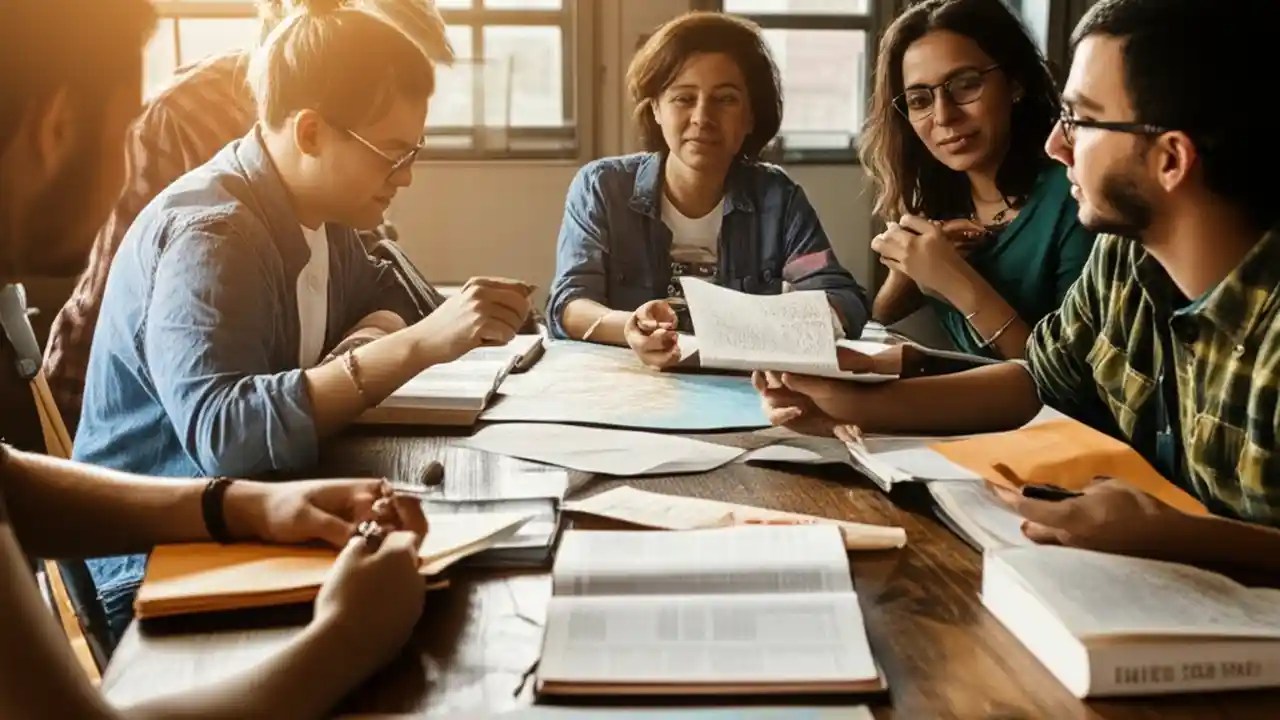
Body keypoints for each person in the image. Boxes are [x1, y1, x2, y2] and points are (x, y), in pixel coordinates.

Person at [0, 1, 429, 716]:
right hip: (148, 585)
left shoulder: (312, 219)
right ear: (58, 128)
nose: (134, 168)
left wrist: (247, 505)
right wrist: (347, 639)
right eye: (129, 127)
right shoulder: (214, 226)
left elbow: (5, 481)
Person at [756, 0, 1280, 571]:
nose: (1058, 145)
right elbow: (1037, 381)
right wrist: (847, 407)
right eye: (921, 98)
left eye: (1080, 120)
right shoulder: (1124, 255)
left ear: (1171, 159)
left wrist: (1186, 537)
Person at [72, 0, 530, 635]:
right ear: (311, 131)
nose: (408, 176)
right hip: (156, 571)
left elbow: (382, 293)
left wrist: (363, 345)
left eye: (415, 150)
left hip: (254, 516)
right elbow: (226, 435)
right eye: (392, 153)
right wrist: (416, 347)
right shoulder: (216, 235)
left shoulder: (319, 208)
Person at [43, 0, 456, 433]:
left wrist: (365, 343)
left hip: (243, 447)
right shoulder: (211, 204)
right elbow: (223, 424)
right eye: (373, 55)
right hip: (131, 439)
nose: (405, 176)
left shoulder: (325, 197)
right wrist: (397, 352)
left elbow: (381, 279)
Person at [545, 11, 869, 369]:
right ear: (655, 108)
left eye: (726, 99)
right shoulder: (602, 188)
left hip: (743, 389)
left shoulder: (778, 199)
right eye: (684, 98)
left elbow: (840, 296)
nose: (702, 117)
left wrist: (782, 322)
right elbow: (570, 303)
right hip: (625, 381)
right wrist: (630, 328)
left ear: (750, 116)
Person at [861, 0, 1093, 360]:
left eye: (966, 85)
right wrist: (907, 274)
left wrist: (952, 278)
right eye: (920, 99)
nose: (944, 115)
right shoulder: (938, 197)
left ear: (1014, 82)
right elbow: (877, 326)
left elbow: (1069, 386)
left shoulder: (1075, 197)